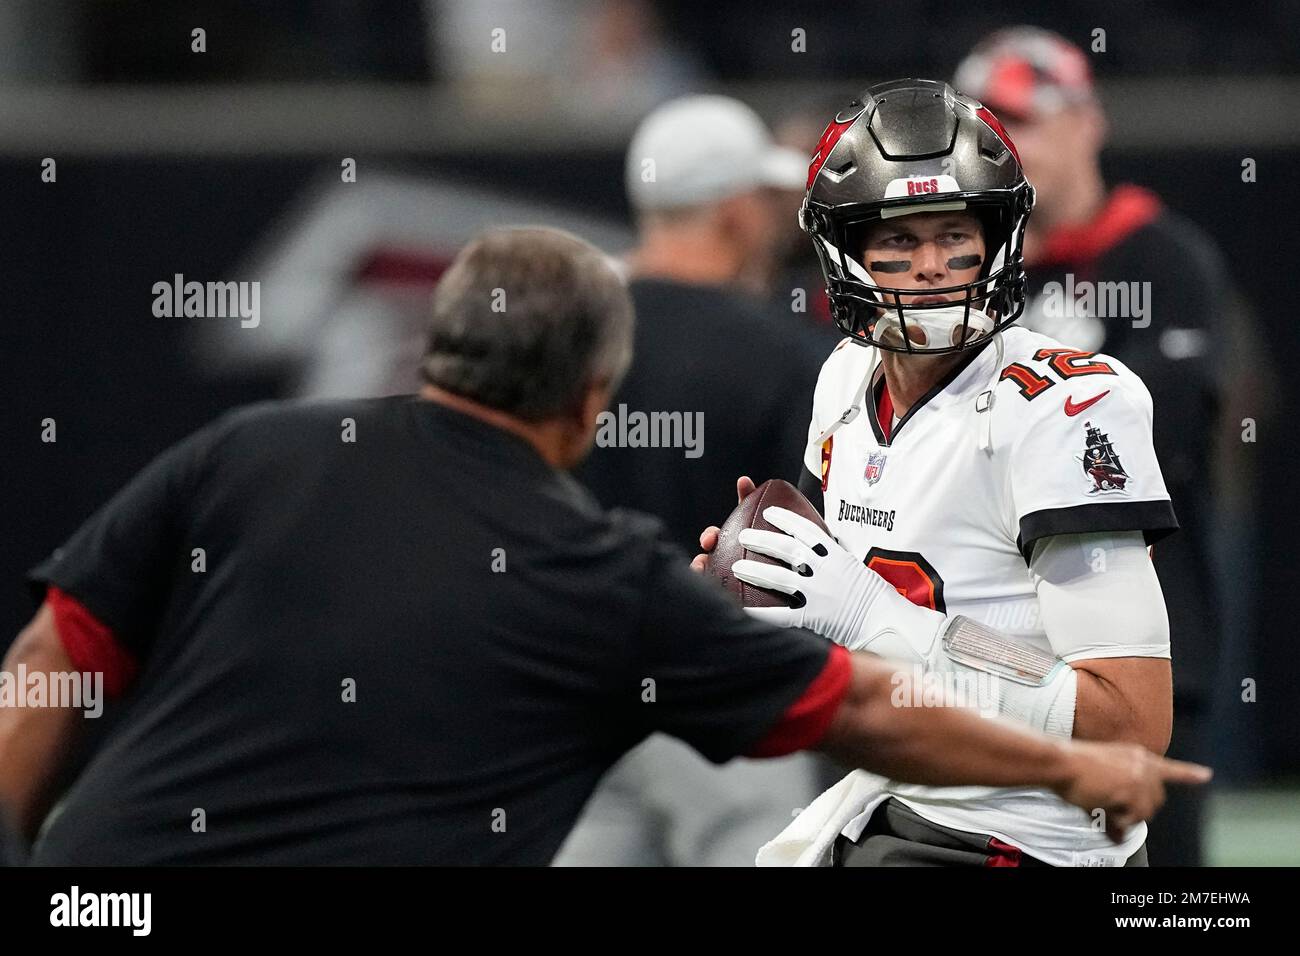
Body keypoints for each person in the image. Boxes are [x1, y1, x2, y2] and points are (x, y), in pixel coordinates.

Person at [0, 226, 1206, 865]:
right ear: (594, 396)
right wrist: (1075, 768)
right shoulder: (600, 579)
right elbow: (871, 712)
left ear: (431, 346)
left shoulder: (244, 448)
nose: (929, 267)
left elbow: (59, 647)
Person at [696, 79, 1184, 867]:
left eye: (956, 234)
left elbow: (1128, 721)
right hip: (893, 804)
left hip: (1026, 839)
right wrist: (766, 599)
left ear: (999, 238)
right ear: (841, 248)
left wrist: (876, 618)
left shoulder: (1065, 408)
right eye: (897, 239)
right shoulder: (846, 379)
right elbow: (851, 626)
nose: (931, 267)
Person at [954, 27, 1251, 863]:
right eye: (987, 133)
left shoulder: (1164, 257)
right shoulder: (972, 269)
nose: (1006, 150)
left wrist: (1010, 421)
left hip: (1147, 641)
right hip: (996, 647)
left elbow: (1167, 425)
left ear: (1087, 120)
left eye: (1025, 122)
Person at [562, 94, 833, 866]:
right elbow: (815, 554)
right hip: (729, 696)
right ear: (736, 212)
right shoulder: (786, 356)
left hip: (575, 694)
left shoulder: (562, 342)